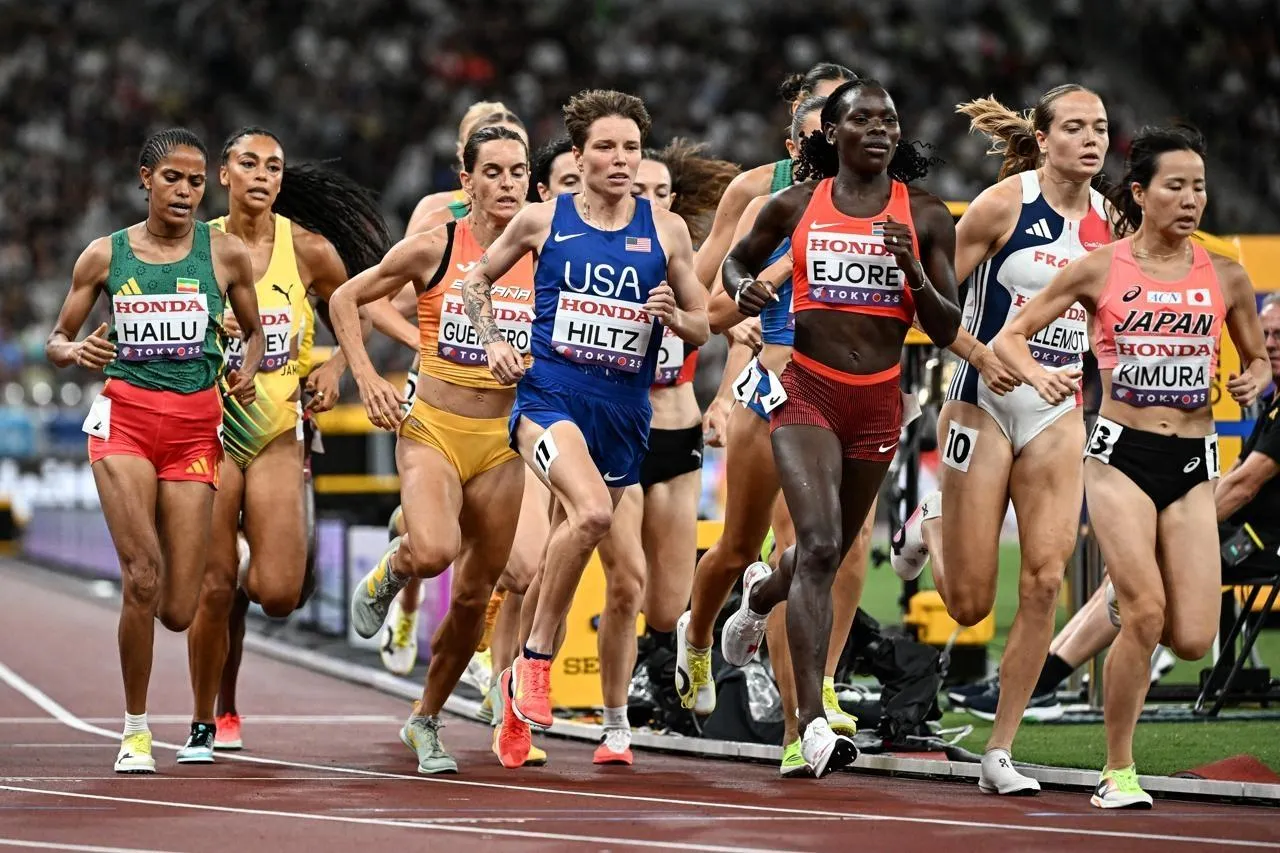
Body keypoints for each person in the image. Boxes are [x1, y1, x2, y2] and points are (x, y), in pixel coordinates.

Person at [992, 124, 1268, 808]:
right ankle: (1119, 770)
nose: (1191, 199)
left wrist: (1255, 377)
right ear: (1141, 194)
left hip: (1192, 465)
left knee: (1195, 636)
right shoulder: (1100, 268)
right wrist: (1041, 375)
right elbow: (1011, 335)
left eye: (1199, 186)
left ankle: (1129, 590)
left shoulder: (1226, 274)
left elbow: (1257, 355)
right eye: (1176, 185)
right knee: (1146, 614)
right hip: (1120, 458)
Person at [719, 79, 962, 777]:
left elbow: (946, 328)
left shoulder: (926, 214)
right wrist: (746, 288)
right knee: (820, 542)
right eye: (862, 118)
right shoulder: (798, 204)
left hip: (878, 402)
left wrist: (913, 269)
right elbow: (739, 259)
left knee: (820, 555)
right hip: (807, 391)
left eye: (889, 118)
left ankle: (762, 593)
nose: (880, 129)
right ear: (831, 133)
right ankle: (810, 723)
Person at [460, 89, 709, 767]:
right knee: (593, 513)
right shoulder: (545, 220)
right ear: (579, 155)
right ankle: (536, 660)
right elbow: (474, 284)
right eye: (605, 146)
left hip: (626, 412)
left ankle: (515, 696)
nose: (620, 158)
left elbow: (702, 324)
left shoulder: (667, 231)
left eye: (631, 147)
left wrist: (675, 314)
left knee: (572, 543)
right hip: (548, 398)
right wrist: (492, 343)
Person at [888, 85, 1114, 794]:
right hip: (982, 401)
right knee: (969, 605)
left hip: (1058, 411)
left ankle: (1000, 750)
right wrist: (993, 358)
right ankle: (930, 521)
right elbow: (933, 302)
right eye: (1074, 127)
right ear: (1043, 139)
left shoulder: (1113, 221)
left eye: (1101, 128)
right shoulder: (1002, 205)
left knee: (1046, 576)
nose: (1091, 139)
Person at [45, 128, 264, 773]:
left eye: (197, 182)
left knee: (177, 607)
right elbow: (57, 339)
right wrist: (76, 350)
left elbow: (253, 336)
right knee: (142, 576)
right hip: (125, 424)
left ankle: (199, 574)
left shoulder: (224, 255)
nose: (187, 192)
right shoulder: (105, 256)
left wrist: (246, 367)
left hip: (196, 429)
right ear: (146, 179)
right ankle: (135, 728)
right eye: (174, 178)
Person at [178, 127, 395, 761]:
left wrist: (334, 369)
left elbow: (362, 309)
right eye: (249, 163)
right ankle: (210, 716)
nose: (263, 176)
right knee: (212, 587)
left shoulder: (308, 251)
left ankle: (241, 577)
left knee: (273, 592)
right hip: (206, 433)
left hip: (277, 430)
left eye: (273, 167)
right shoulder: (193, 248)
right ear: (224, 175)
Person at [332, 126, 537, 774]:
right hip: (434, 431)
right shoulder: (435, 245)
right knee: (436, 550)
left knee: (477, 594)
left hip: (502, 445)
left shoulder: (546, 254)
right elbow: (344, 297)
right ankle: (396, 568)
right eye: (494, 172)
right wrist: (364, 375)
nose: (508, 185)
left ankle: (425, 719)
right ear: (467, 181)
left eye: (518, 172)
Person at [679, 95, 868, 777]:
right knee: (740, 545)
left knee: (838, 553)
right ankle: (698, 633)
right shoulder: (758, 192)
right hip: (776, 378)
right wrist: (739, 328)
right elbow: (701, 298)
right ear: (795, 137)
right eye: (822, 134)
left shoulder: (879, 199)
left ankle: (807, 714)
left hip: (855, 389)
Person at [376, 105, 530, 679]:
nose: (503, 175)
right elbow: (389, 299)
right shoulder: (435, 215)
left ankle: (481, 643)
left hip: (502, 408)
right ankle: (408, 607)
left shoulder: (534, 228)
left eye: (513, 157)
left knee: (484, 539)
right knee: (432, 538)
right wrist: (429, 342)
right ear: (464, 165)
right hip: (436, 388)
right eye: (487, 157)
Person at [698, 63, 857, 449]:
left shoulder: (879, 197)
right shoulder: (757, 190)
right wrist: (723, 396)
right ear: (799, 111)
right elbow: (702, 286)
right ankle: (727, 404)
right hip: (767, 364)